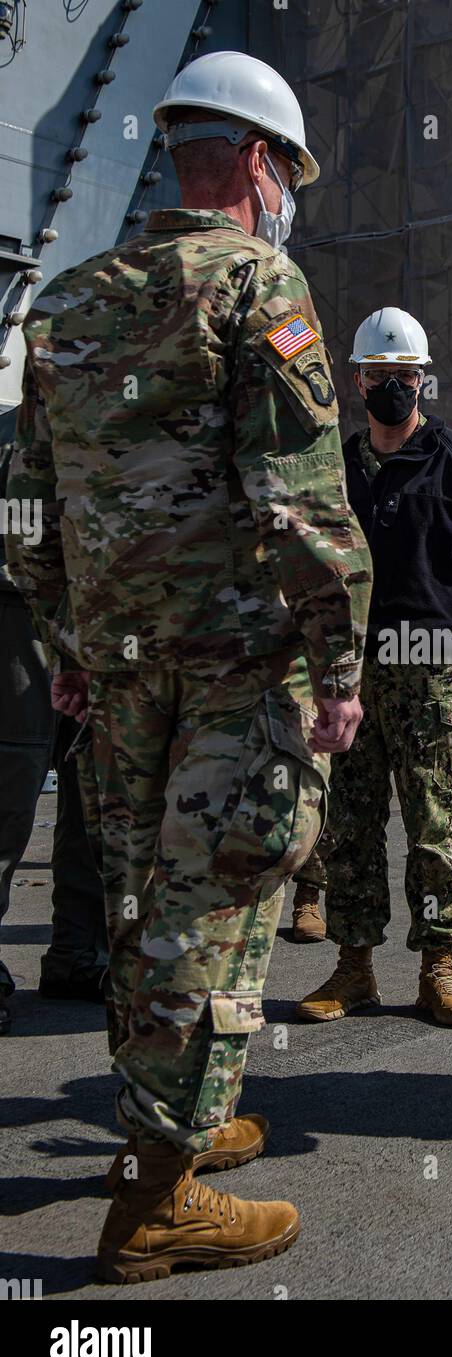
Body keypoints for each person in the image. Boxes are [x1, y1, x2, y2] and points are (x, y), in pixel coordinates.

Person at [6, 50, 371, 1281]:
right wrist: (339, 666)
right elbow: (301, 500)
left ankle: (185, 1125)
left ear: (180, 152)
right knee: (212, 912)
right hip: (234, 670)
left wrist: (65, 645)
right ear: (263, 165)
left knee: (134, 913)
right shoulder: (257, 282)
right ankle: (154, 1204)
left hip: (117, 670)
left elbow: (27, 512)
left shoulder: (64, 302)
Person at [297, 308, 452, 1027]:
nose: (391, 386)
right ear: (356, 381)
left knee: (432, 824)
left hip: (434, 670)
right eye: (377, 375)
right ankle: (353, 965)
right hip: (350, 673)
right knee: (351, 824)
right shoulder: (332, 471)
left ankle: (438, 965)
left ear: (423, 380)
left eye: (403, 375)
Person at [0, 436, 107, 1036]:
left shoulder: (103, 418)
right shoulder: (16, 434)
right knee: (11, 794)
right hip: (19, 619)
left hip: (95, 621)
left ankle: (78, 955)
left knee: (92, 794)